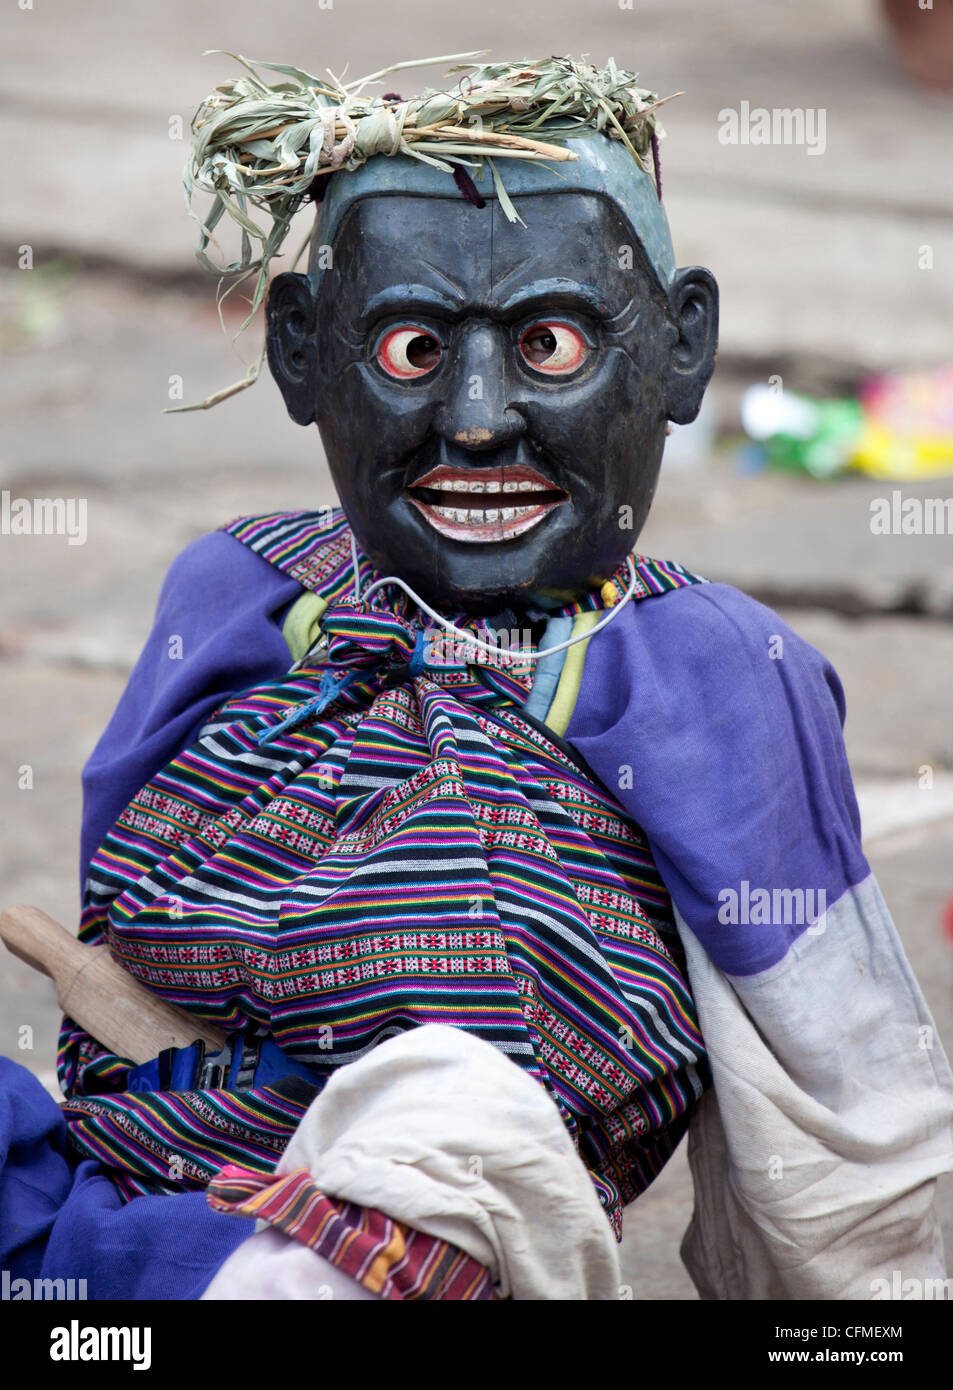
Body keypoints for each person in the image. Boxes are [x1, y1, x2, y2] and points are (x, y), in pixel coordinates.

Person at [2, 55, 951, 1301]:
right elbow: (109, 948)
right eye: (408, 347)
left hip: (401, 1239)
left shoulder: (706, 669)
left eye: (548, 342)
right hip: (111, 1216)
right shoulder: (244, 590)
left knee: (459, 1112)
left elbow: (843, 1101)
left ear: (678, 350)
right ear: (300, 352)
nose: (478, 417)